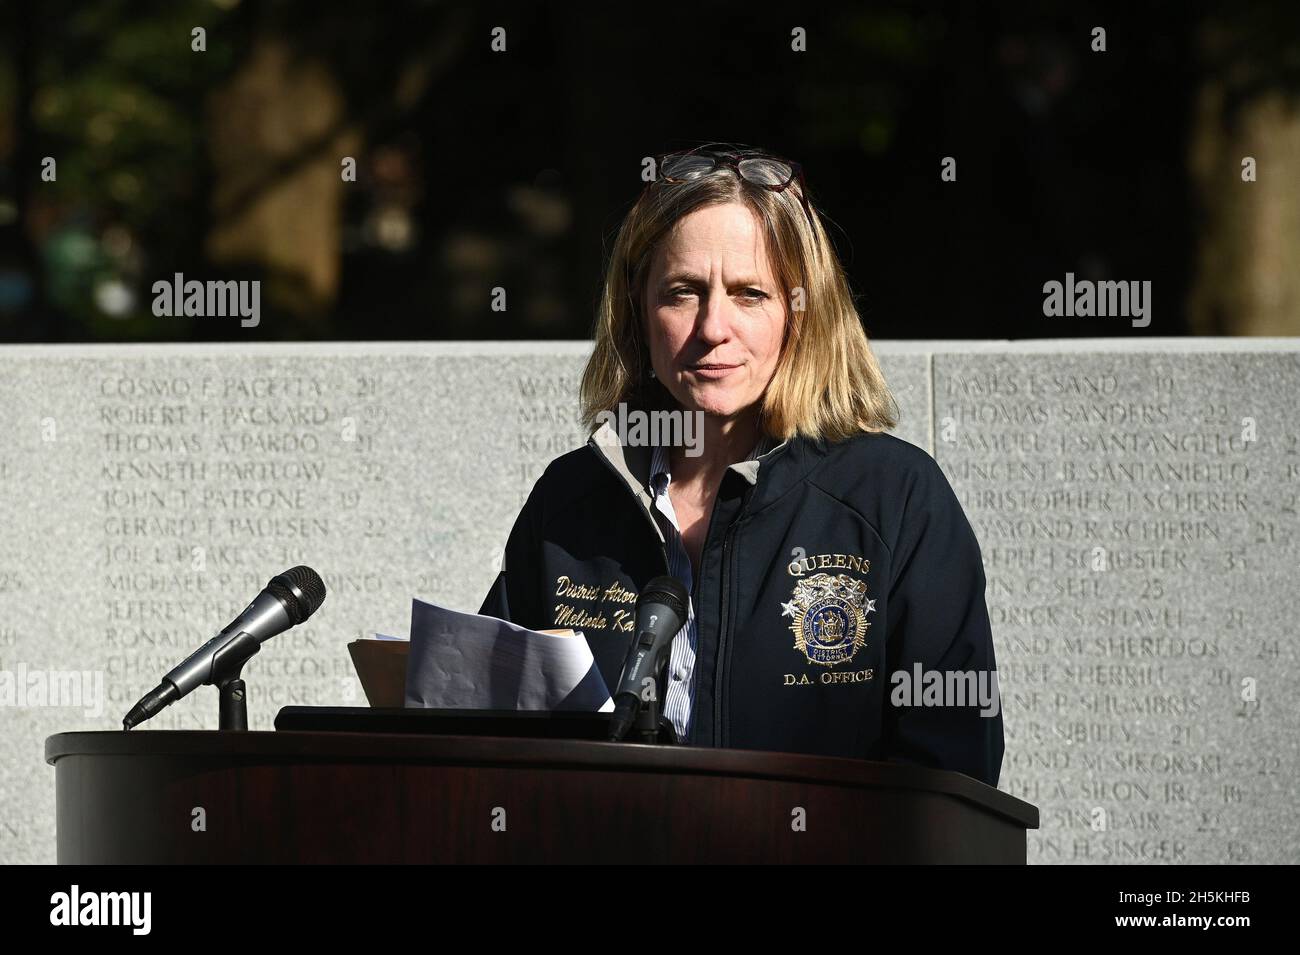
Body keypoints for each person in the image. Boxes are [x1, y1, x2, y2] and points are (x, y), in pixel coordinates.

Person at [480, 143, 1003, 786]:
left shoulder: (894, 499)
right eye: (682, 292)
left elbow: (950, 777)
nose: (712, 327)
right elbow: (487, 738)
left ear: (801, 315)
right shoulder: (572, 498)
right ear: (638, 311)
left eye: (750, 294)